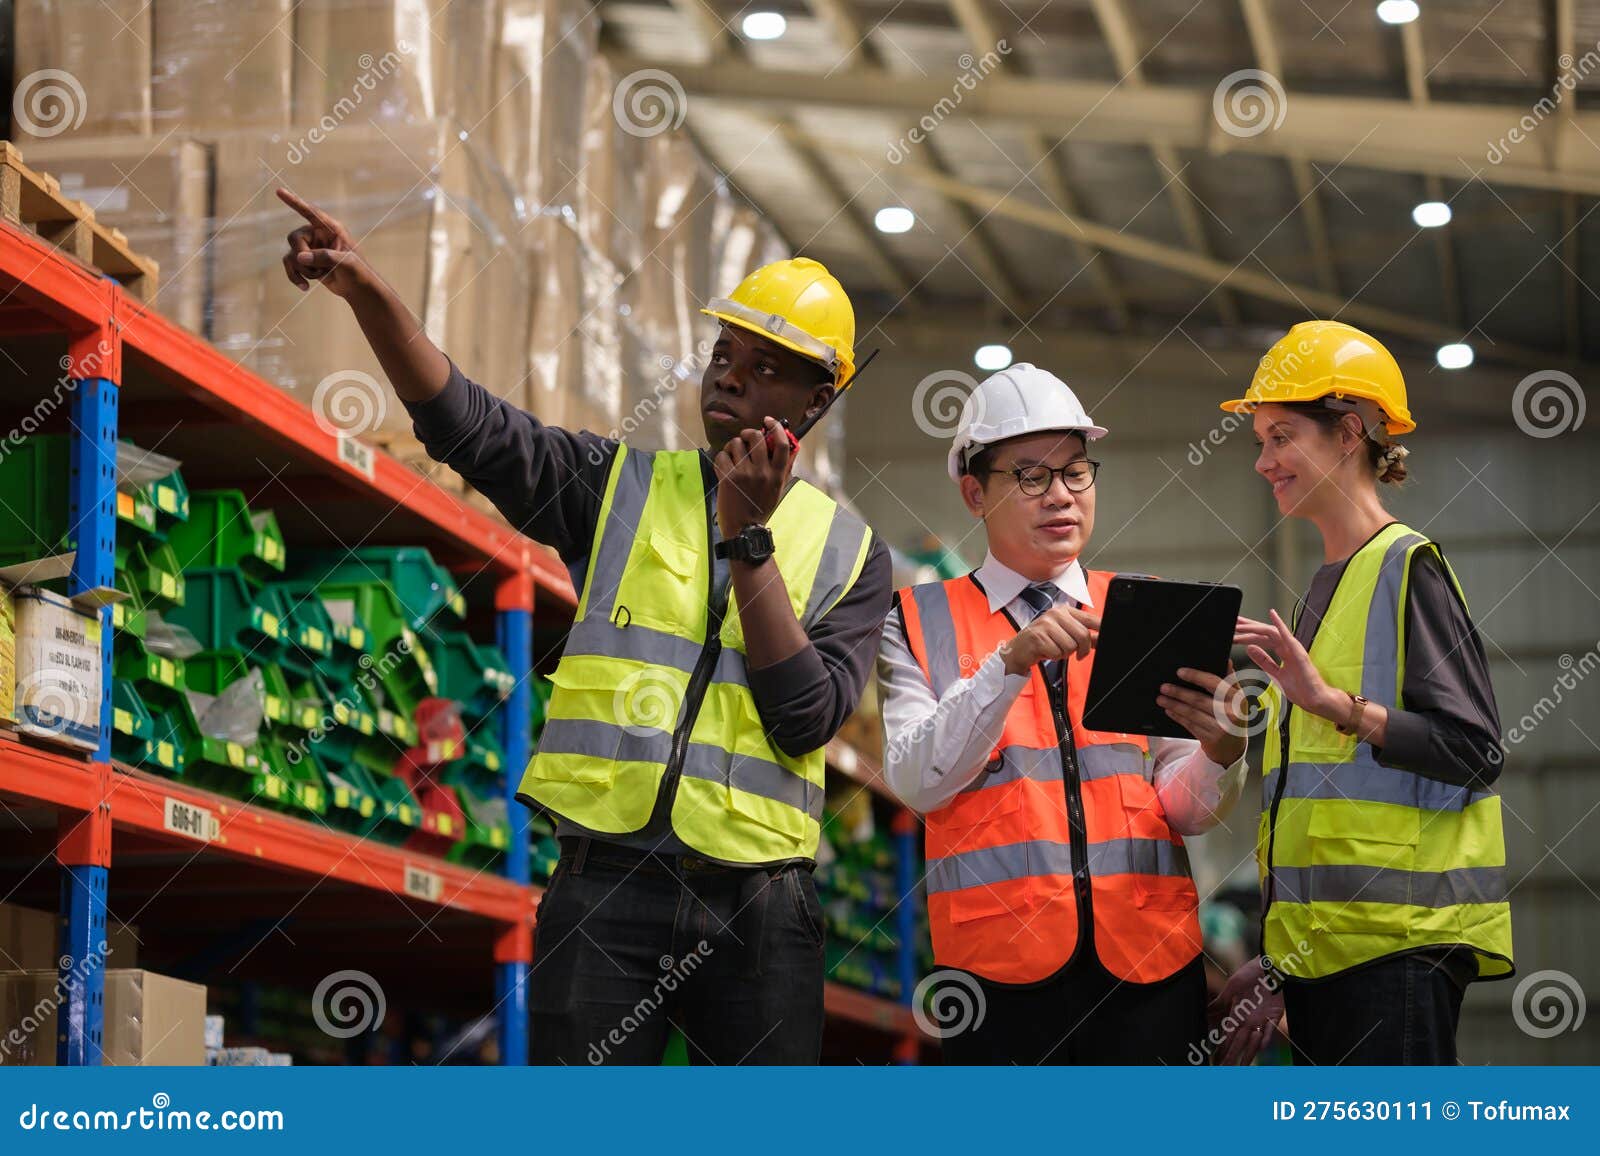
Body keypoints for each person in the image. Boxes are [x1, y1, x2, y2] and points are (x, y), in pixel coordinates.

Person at [278, 189, 894, 1065]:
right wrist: (370, 295)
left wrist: (747, 540)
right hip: (606, 889)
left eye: (763, 366)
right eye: (723, 354)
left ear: (817, 399)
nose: (728, 375)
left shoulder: (851, 553)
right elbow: (472, 429)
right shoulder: (620, 488)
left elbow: (804, 718)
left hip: (758, 906)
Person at [877, 364, 1249, 1064]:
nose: (1061, 497)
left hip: (1150, 972)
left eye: (1076, 473)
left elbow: (1182, 808)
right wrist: (1005, 666)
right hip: (997, 983)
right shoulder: (917, 618)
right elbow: (918, 780)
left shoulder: (1144, 611)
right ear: (972, 492)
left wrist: (1220, 755)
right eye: (1030, 476)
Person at [1213, 321, 1513, 1066]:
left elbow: (1476, 749)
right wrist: (1280, 966)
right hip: (1334, 963)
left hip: (1398, 958)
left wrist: (1336, 707)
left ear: (1348, 434)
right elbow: (1318, 815)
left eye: (1280, 437)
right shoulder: (1322, 591)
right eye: (1260, 441)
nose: (1263, 461)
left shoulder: (1409, 568)